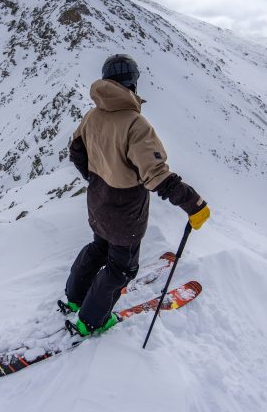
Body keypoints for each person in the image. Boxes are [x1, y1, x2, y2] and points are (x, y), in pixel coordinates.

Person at [63, 54, 210, 336]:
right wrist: (194, 204)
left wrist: (95, 178)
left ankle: (74, 297)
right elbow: (157, 176)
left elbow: (76, 150)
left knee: (98, 248)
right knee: (121, 268)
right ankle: (91, 321)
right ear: (132, 84)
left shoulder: (92, 115)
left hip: (97, 202)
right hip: (125, 212)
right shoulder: (135, 124)